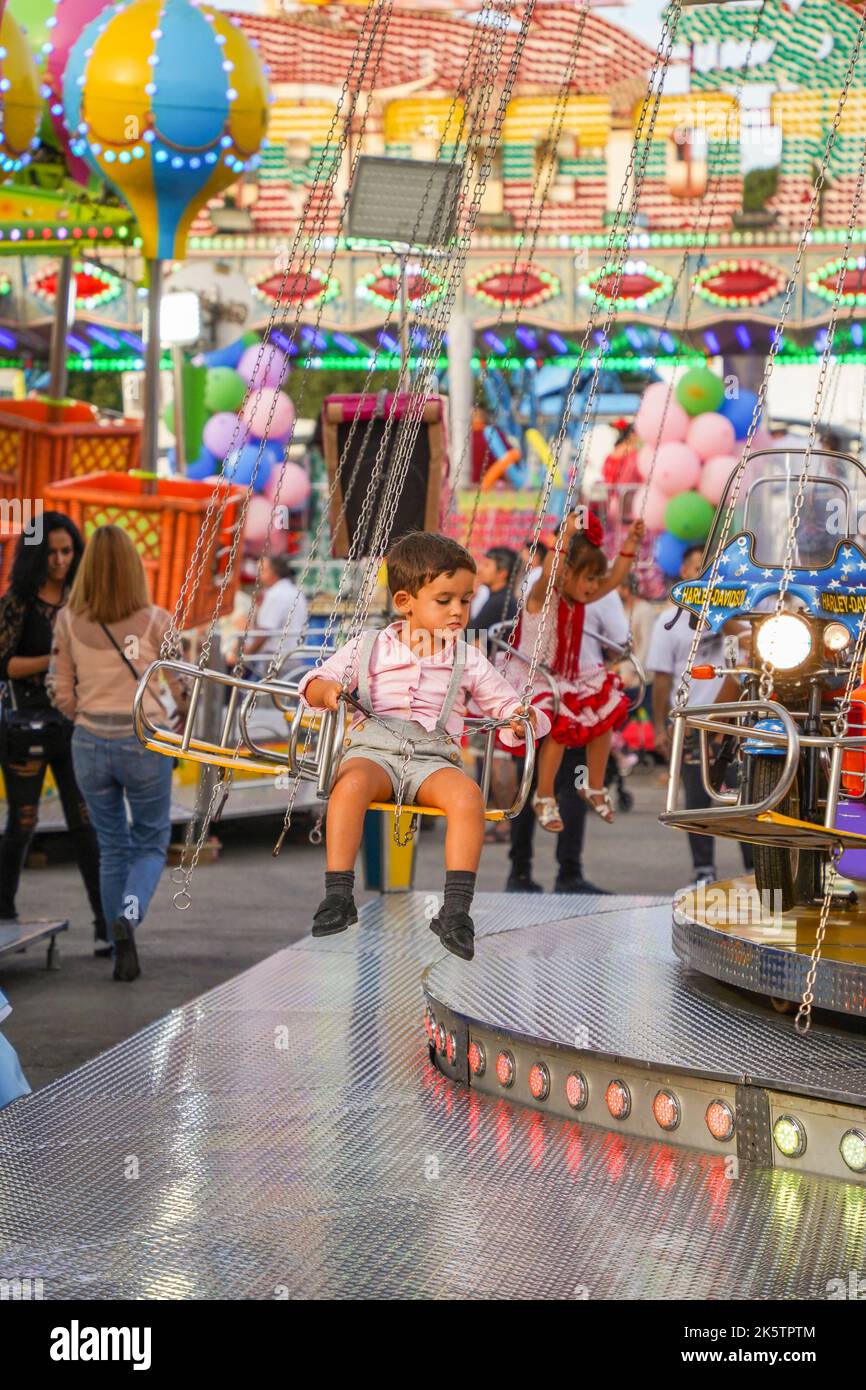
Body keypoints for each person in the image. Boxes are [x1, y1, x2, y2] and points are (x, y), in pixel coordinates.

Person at [300, 531, 549, 962]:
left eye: (465, 600)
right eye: (445, 599)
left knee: (468, 796)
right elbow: (316, 680)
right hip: (373, 752)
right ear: (405, 601)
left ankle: (455, 910)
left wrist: (518, 716)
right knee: (351, 785)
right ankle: (338, 893)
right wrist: (327, 693)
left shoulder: (468, 658)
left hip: (433, 758)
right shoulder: (369, 646)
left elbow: (504, 700)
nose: (458, 610)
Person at [49, 525, 187, 982]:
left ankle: (114, 941)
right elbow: (180, 686)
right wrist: (179, 717)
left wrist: (82, 713)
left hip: (88, 744)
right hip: (144, 741)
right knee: (150, 842)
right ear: (133, 569)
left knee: (112, 848)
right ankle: (130, 913)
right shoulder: (155, 620)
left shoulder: (68, 620)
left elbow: (59, 689)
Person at [0, 513, 106, 944]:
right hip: (28, 726)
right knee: (22, 822)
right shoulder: (16, 603)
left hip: (78, 724)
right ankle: (4, 912)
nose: (61, 560)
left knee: (84, 823)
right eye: (52, 552)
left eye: (68, 551)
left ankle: (106, 923)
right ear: (35, 554)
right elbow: (4, 666)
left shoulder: (83, 599)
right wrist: (57, 658)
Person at [512, 510, 644, 829]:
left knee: (604, 712)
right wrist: (565, 538)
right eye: (589, 579)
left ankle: (594, 786)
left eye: (596, 580)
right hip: (533, 678)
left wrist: (629, 545)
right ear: (567, 573)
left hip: (561, 676)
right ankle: (544, 796)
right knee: (562, 722)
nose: (595, 587)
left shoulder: (579, 596)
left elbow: (613, 578)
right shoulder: (543, 595)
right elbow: (549, 573)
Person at [648, 545, 752, 887]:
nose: (703, 578)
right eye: (696, 570)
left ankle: (754, 867)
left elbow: (750, 649)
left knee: (746, 796)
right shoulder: (668, 622)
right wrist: (660, 724)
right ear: (683, 574)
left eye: (710, 573)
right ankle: (703, 870)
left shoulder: (736, 616)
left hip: (735, 721)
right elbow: (662, 678)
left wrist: (725, 616)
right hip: (692, 721)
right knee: (696, 800)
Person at [229, 553, 309, 675]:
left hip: (276, 658)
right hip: (294, 655)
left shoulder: (275, 594)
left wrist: (244, 657)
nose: (258, 574)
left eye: (262, 570)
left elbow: (264, 633)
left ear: (274, 571)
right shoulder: (295, 591)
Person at [472, 546, 518, 636]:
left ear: (502, 573)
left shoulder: (499, 601)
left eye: (487, 565)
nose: (479, 570)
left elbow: (470, 635)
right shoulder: (501, 597)